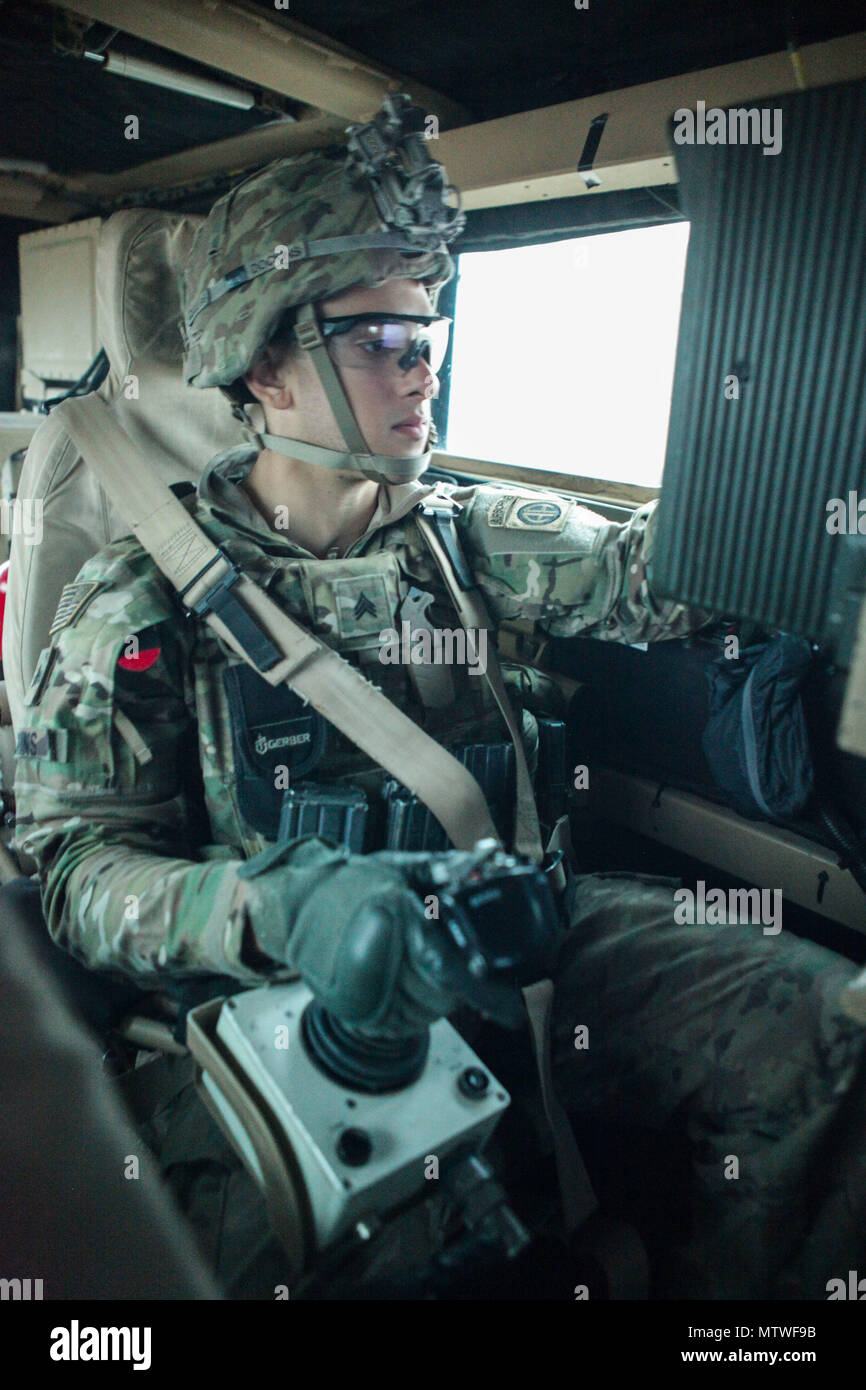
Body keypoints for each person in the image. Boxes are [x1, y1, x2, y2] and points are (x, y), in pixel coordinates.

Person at [13, 97, 866, 1300]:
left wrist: (802, 480)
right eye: (380, 340)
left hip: (517, 936)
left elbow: (664, 576)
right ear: (266, 365)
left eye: (431, 335)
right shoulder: (141, 595)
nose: (424, 372)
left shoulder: (460, 540)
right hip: (287, 996)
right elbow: (72, 873)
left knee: (833, 1032)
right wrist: (269, 905)